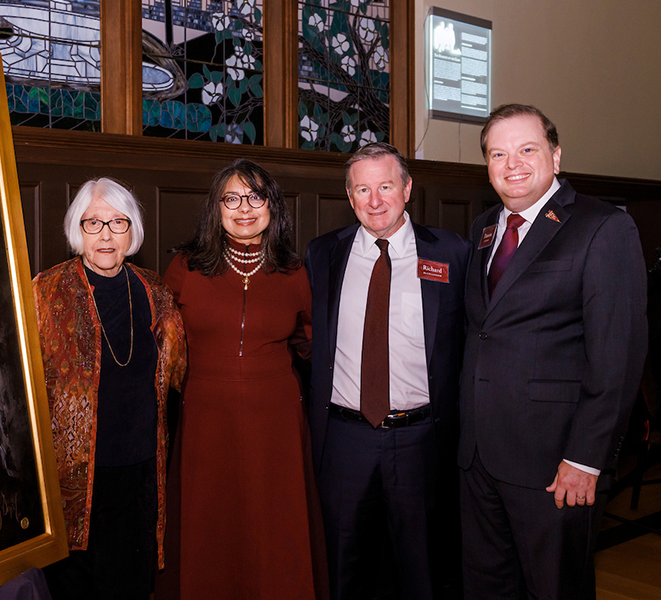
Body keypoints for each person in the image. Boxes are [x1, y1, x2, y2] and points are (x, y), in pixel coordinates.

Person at [459, 104, 648, 599]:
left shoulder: (602, 227)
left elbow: (619, 354)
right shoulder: (483, 229)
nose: (512, 163)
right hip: (478, 456)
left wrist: (587, 459)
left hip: (553, 462)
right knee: (488, 587)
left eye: (527, 149)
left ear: (556, 156)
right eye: (498, 153)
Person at [305, 142, 471, 600]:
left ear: (407, 188)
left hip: (421, 439)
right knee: (341, 567)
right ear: (349, 195)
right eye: (363, 189)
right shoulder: (323, 255)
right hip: (343, 440)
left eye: (385, 186)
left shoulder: (452, 253)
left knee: (422, 569)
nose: (375, 200)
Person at [164, 158, 320, 599]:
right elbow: (161, 346)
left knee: (274, 527)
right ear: (216, 207)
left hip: (277, 425)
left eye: (255, 196)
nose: (244, 208)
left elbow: (312, 345)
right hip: (205, 422)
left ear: (273, 206)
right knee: (209, 524)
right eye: (231, 198)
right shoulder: (186, 267)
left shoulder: (295, 272)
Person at [32, 178, 186, 599]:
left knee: (131, 584)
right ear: (76, 230)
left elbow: (180, 374)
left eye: (118, 223)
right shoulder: (45, 291)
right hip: (73, 477)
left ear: (132, 231)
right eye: (93, 223)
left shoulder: (155, 291)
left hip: (139, 472)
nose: (105, 234)